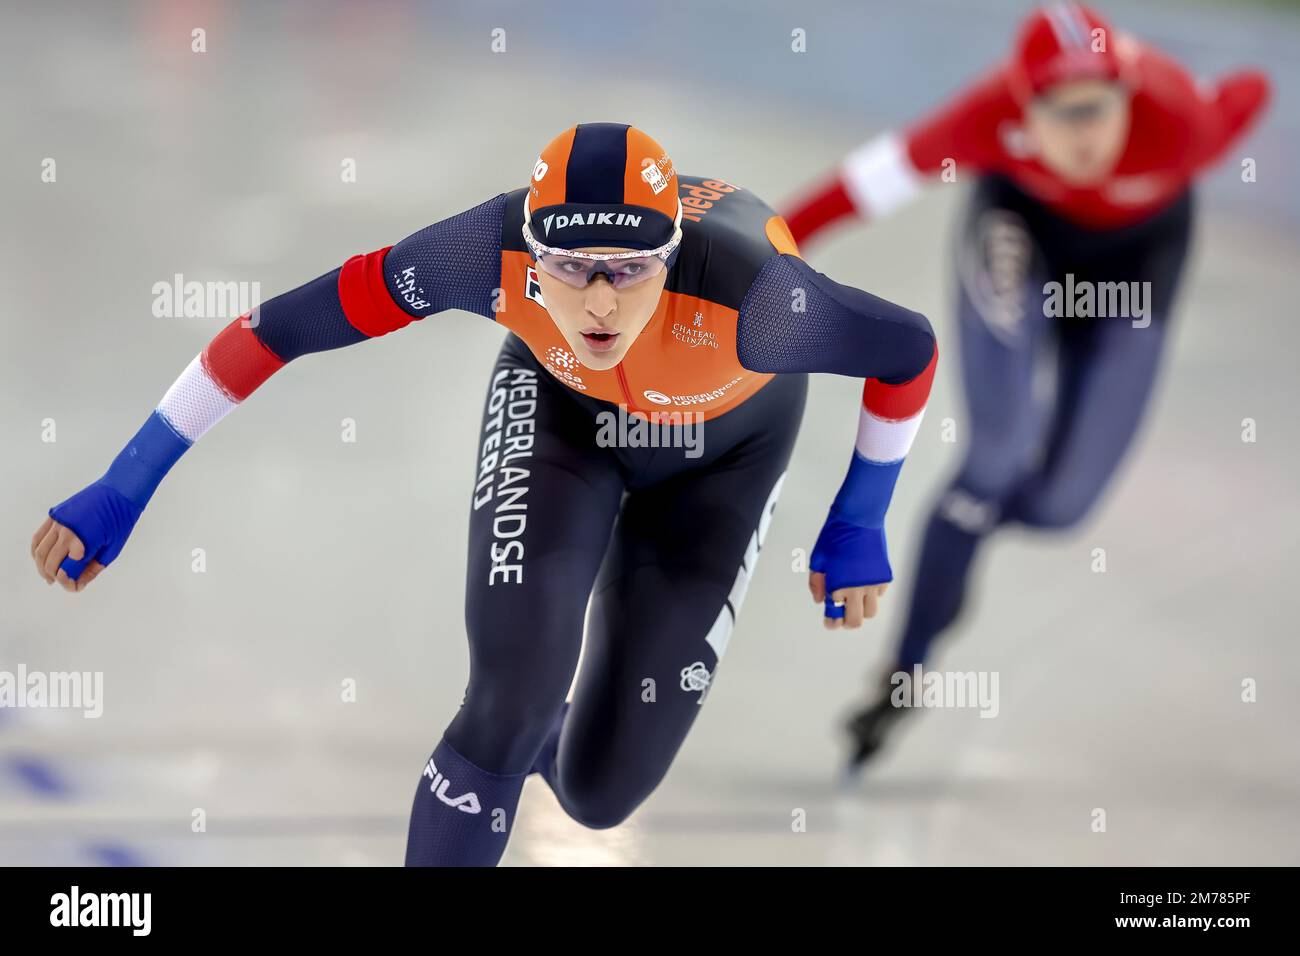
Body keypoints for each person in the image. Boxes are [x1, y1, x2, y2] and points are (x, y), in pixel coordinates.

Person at [31, 123, 936, 865]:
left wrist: (858, 518)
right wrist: (126, 481)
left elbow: (909, 351)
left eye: (630, 269)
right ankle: (524, 717)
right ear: (529, 252)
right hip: (562, 423)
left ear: (674, 256)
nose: (598, 305)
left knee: (601, 792)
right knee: (511, 699)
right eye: (571, 266)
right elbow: (278, 330)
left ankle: (551, 733)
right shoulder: (477, 253)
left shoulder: (766, 306)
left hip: (723, 458)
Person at [782, 2, 1270, 770]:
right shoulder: (984, 118)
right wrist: (764, 252)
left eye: (1099, 109)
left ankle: (965, 525)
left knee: (1058, 505)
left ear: (1128, 91)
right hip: (1020, 240)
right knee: (996, 453)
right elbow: (860, 187)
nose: (1084, 135)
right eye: (1061, 113)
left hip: (1137, 276)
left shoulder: (1184, 121)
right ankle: (905, 670)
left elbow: (1253, 89)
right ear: (1021, 107)